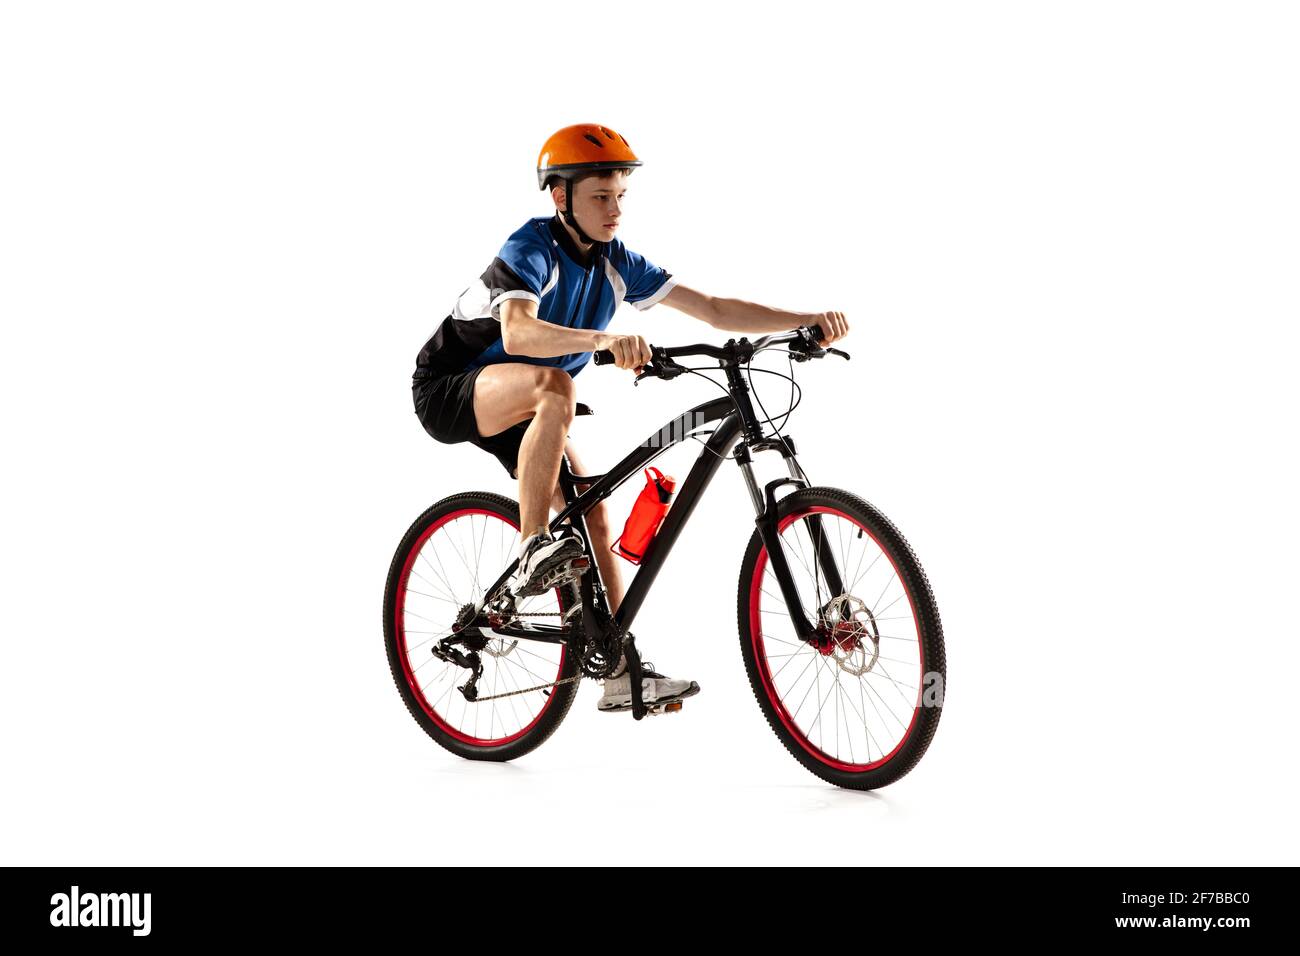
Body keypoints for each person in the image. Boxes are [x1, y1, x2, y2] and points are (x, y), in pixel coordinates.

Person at [411, 123, 849, 713]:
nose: (614, 209)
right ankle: (533, 545)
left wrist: (804, 319)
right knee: (554, 384)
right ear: (560, 197)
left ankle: (617, 668)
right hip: (451, 388)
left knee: (592, 506)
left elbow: (715, 309)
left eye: (620, 196)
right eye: (599, 197)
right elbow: (517, 331)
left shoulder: (617, 262)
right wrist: (604, 340)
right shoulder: (531, 247)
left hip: (525, 403)